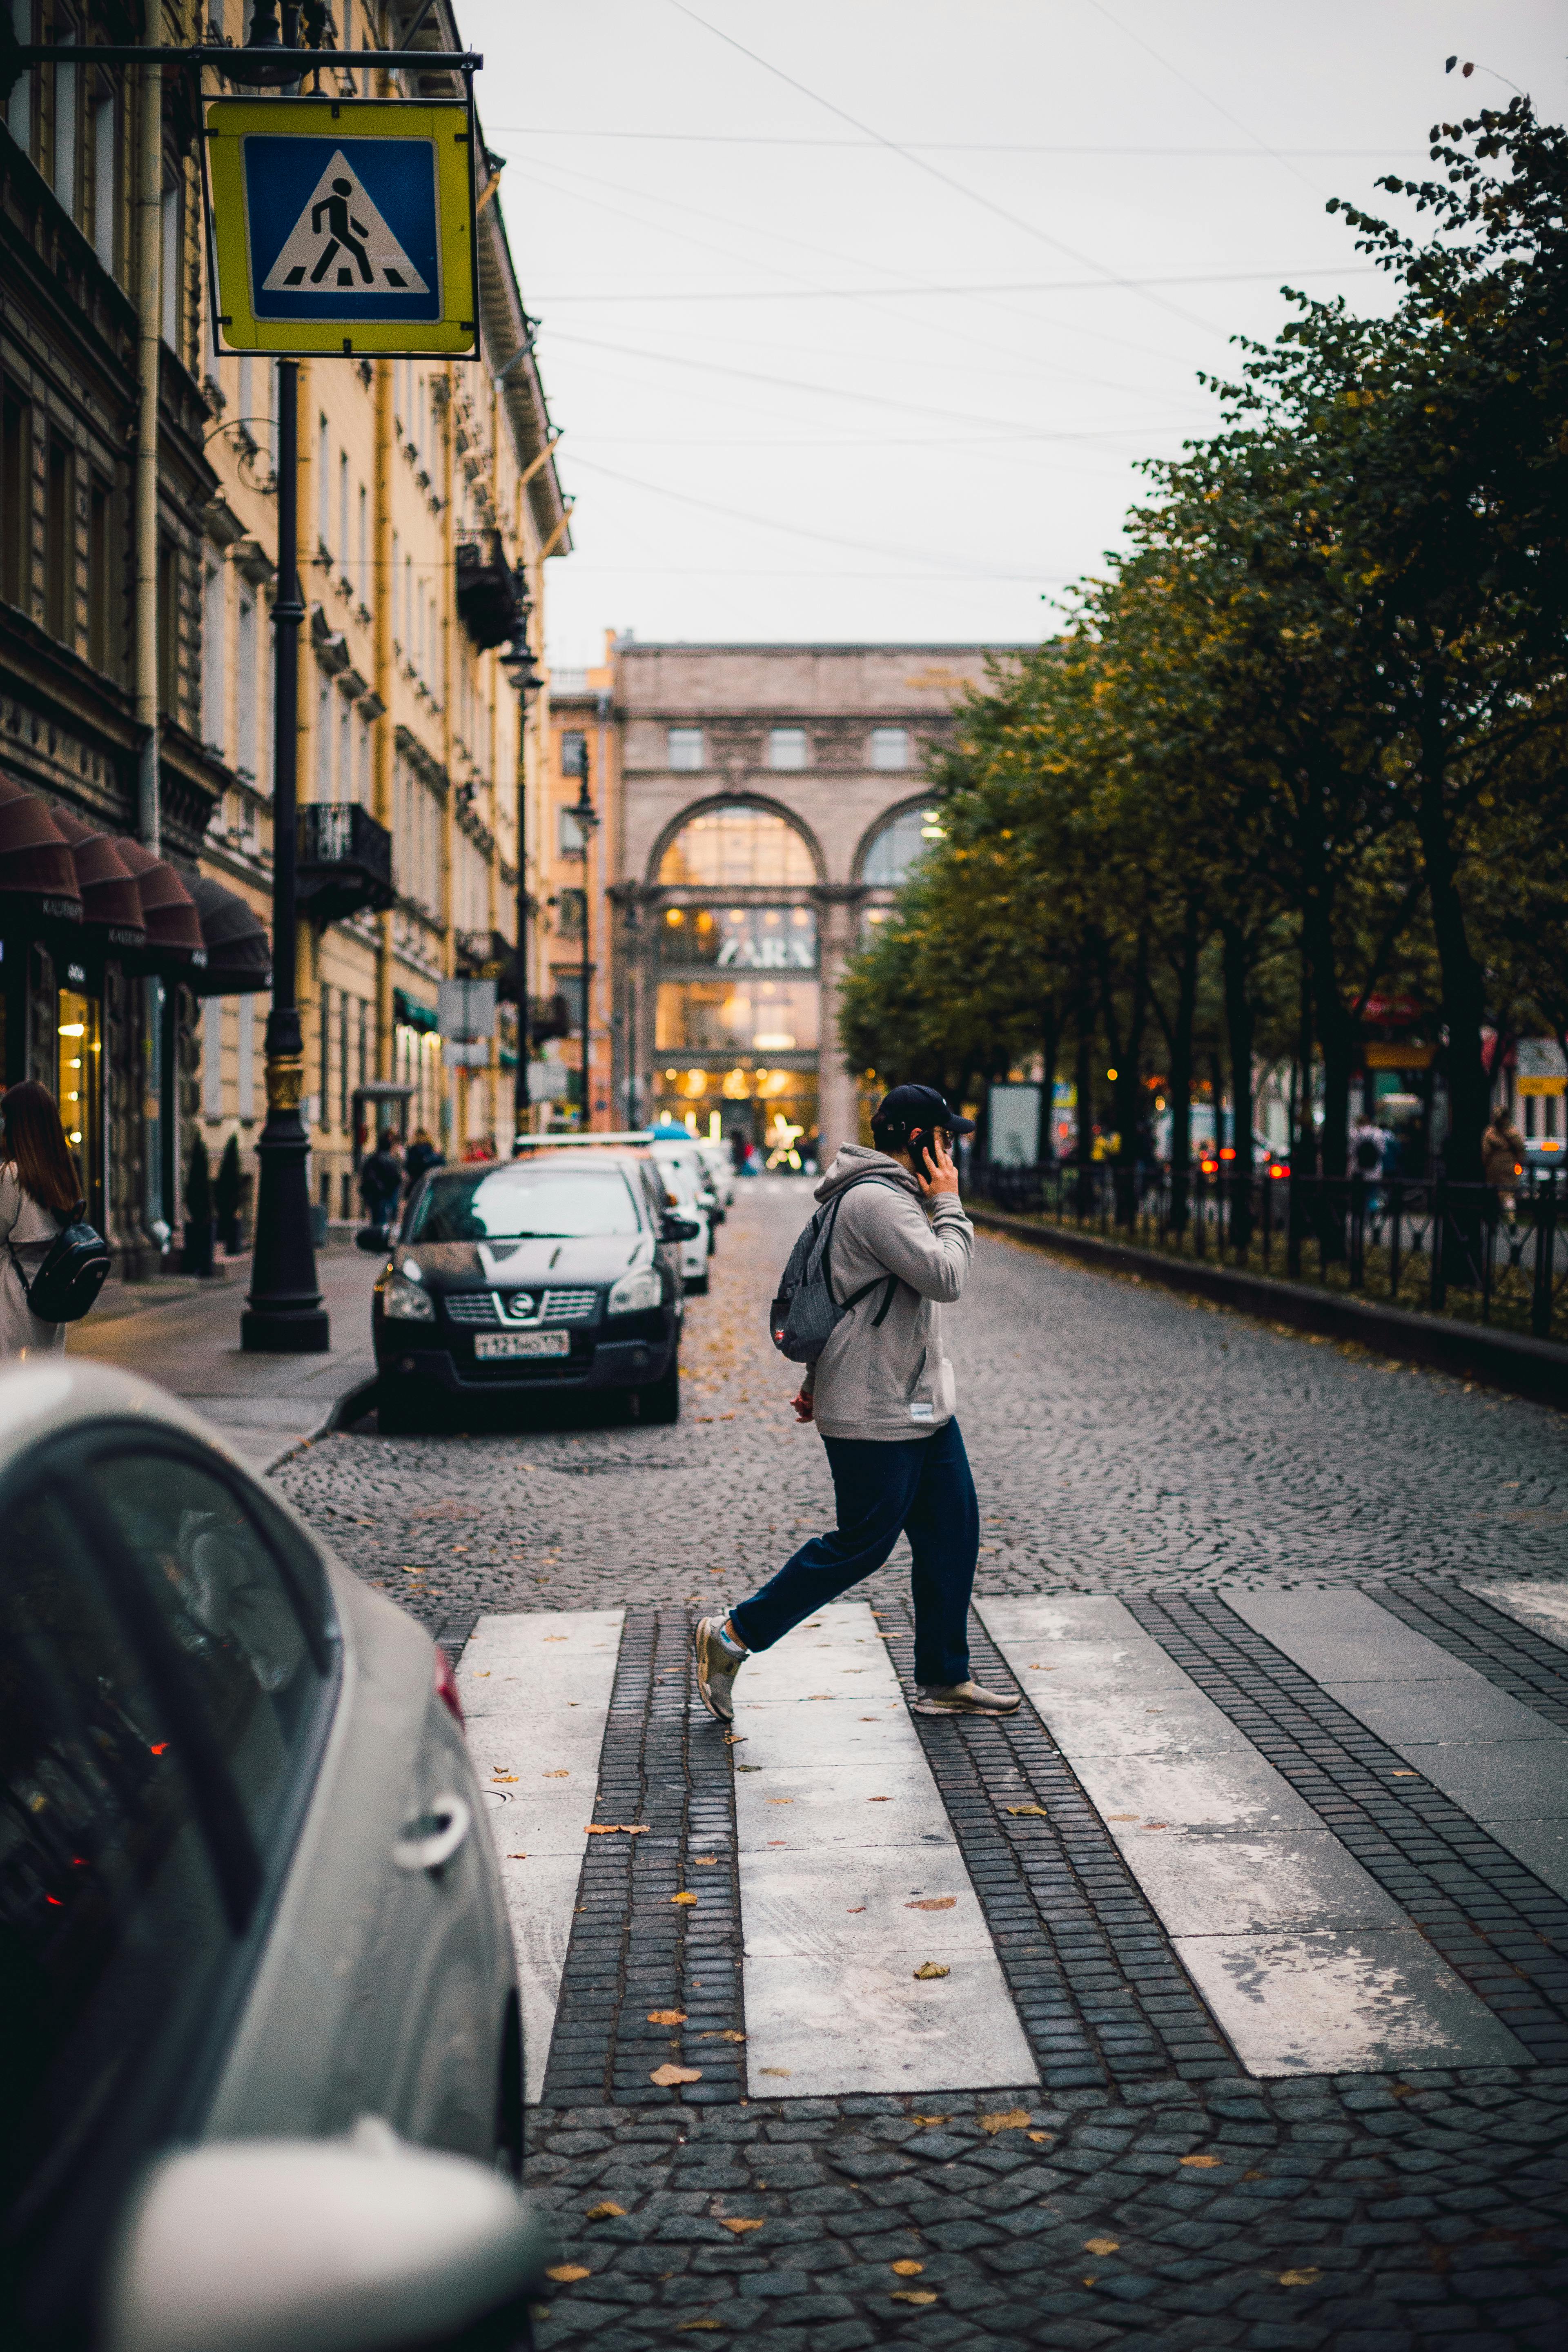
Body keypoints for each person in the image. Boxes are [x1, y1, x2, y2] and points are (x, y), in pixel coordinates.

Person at [693, 1083, 1018, 1725]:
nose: (953, 1154)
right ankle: (732, 1637)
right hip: (878, 1409)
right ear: (920, 1142)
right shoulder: (877, 1202)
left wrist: (816, 1377)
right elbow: (946, 1278)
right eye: (946, 1140)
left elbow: (839, 1296)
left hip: (918, 1402)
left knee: (953, 1533)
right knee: (862, 1545)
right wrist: (950, 1203)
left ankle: (945, 1678)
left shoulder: (886, 1197)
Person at [0, 1080, 79, 1360]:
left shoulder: (12, 1175)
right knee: (45, 1382)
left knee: (10, 1387)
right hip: (50, 1295)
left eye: (6, 1119)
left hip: (12, 1296)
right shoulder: (62, 1171)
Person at [1482, 1102, 1528, 1223]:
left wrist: (1485, 1165)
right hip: (1509, 1167)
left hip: (1493, 1168)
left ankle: (1493, 1220)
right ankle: (1511, 1219)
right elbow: (1521, 1150)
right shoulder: (1513, 1132)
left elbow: (1485, 1152)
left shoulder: (1490, 1133)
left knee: (1494, 1193)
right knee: (1508, 1194)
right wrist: (1519, 1162)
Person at [359, 1131, 403, 1231]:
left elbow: (367, 1177)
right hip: (386, 1195)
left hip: (376, 1196)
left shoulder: (372, 1159)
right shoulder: (391, 1160)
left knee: (377, 1221)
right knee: (384, 1222)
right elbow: (397, 1179)